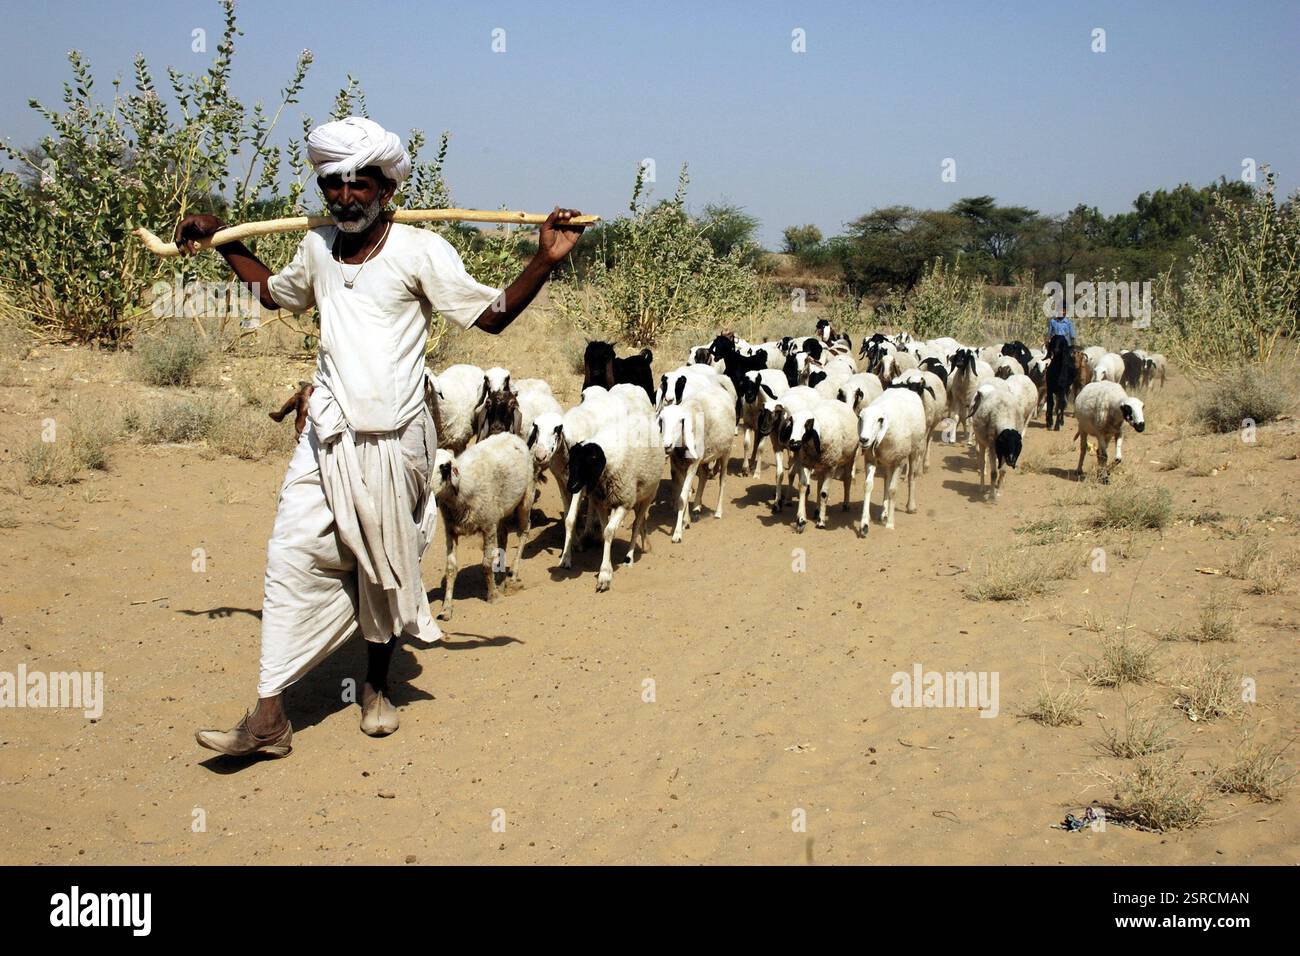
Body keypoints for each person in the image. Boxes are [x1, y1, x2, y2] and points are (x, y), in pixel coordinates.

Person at [178, 116, 585, 757]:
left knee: (384, 565)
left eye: (357, 184)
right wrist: (225, 240)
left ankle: (374, 689)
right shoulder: (316, 247)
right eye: (332, 186)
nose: (343, 198)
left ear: (386, 187)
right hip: (328, 434)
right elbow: (271, 296)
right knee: (289, 557)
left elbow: (494, 317)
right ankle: (268, 717)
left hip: (399, 440)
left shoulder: (420, 251)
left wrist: (543, 259)